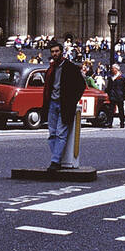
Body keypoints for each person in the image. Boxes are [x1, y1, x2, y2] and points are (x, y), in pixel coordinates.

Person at [41, 39, 85, 175]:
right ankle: (57, 159)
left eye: (56, 51)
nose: (54, 54)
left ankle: (55, 161)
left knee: (61, 133)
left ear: (61, 52)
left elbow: (81, 86)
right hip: (52, 104)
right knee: (52, 134)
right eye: (52, 52)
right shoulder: (51, 68)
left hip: (65, 105)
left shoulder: (70, 67)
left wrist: (72, 101)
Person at [106, 63, 125, 128]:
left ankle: (122, 122)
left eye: (113, 68)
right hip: (112, 95)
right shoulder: (110, 77)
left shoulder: (122, 77)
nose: (111, 70)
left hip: (119, 96)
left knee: (120, 110)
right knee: (111, 110)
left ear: (116, 69)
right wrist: (107, 93)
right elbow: (108, 87)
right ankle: (110, 123)